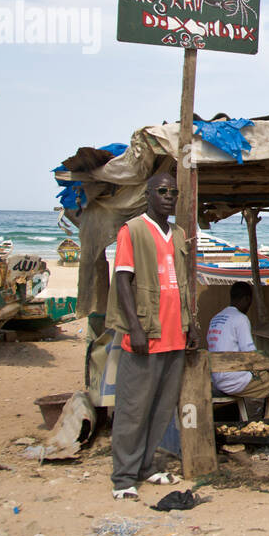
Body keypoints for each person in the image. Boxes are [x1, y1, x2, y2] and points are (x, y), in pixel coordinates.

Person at [104, 172, 196, 501]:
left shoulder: (179, 233)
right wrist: (135, 328)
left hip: (175, 335)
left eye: (173, 191)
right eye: (162, 191)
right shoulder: (133, 230)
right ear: (149, 195)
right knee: (133, 408)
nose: (169, 196)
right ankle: (124, 476)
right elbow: (123, 281)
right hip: (147, 334)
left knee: (160, 409)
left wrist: (191, 324)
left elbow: (183, 283)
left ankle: (145, 466)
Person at [206, 281, 269, 418]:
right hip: (234, 381)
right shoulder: (240, 319)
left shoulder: (215, 318)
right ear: (246, 299)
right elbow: (251, 355)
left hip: (218, 379)